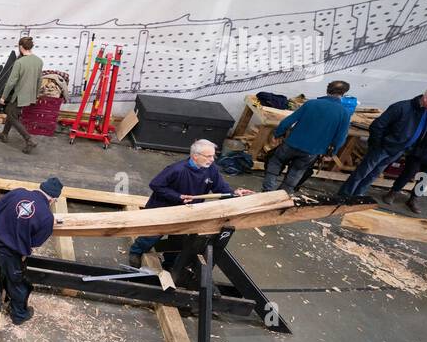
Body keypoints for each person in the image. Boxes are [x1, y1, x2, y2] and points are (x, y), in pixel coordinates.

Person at [127, 139, 253, 268]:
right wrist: (178, 196)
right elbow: (155, 184)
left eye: (213, 155)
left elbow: (220, 188)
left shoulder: (211, 170)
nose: (212, 159)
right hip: (164, 209)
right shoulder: (177, 169)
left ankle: (169, 263)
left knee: (178, 239)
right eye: (208, 156)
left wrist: (234, 193)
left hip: (187, 211)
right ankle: (136, 252)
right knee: (152, 235)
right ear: (195, 156)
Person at [0, 177, 63, 325]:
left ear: (40, 187)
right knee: (16, 283)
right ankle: (19, 315)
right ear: (53, 200)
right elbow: (35, 242)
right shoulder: (47, 218)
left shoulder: (17, 192)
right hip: (11, 253)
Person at [339, 86, 427, 199]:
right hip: (383, 148)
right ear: (426, 98)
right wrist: (377, 145)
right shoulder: (402, 107)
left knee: (374, 174)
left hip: (398, 150)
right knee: (362, 172)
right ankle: (344, 195)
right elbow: (377, 126)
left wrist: (408, 148)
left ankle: (358, 195)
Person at [262, 81, 353, 193]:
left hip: (291, 144)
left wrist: (278, 134)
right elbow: (340, 137)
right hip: (312, 152)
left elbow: (288, 121)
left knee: (276, 161)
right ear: (344, 93)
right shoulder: (345, 113)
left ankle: (267, 191)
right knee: (297, 171)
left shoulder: (311, 104)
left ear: (327, 90)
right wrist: (331, 153)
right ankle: (282, 196)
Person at [0, 36, 44, 154]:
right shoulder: (39, 61)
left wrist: (3, 96)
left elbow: (11, 82)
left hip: (19, 95)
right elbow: (39, 80)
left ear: (21, 47)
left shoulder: (19, 62)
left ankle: (29, 139)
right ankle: (4, 134)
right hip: (30, 95)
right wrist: (35, 95)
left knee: (11, 114)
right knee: (12, 112)